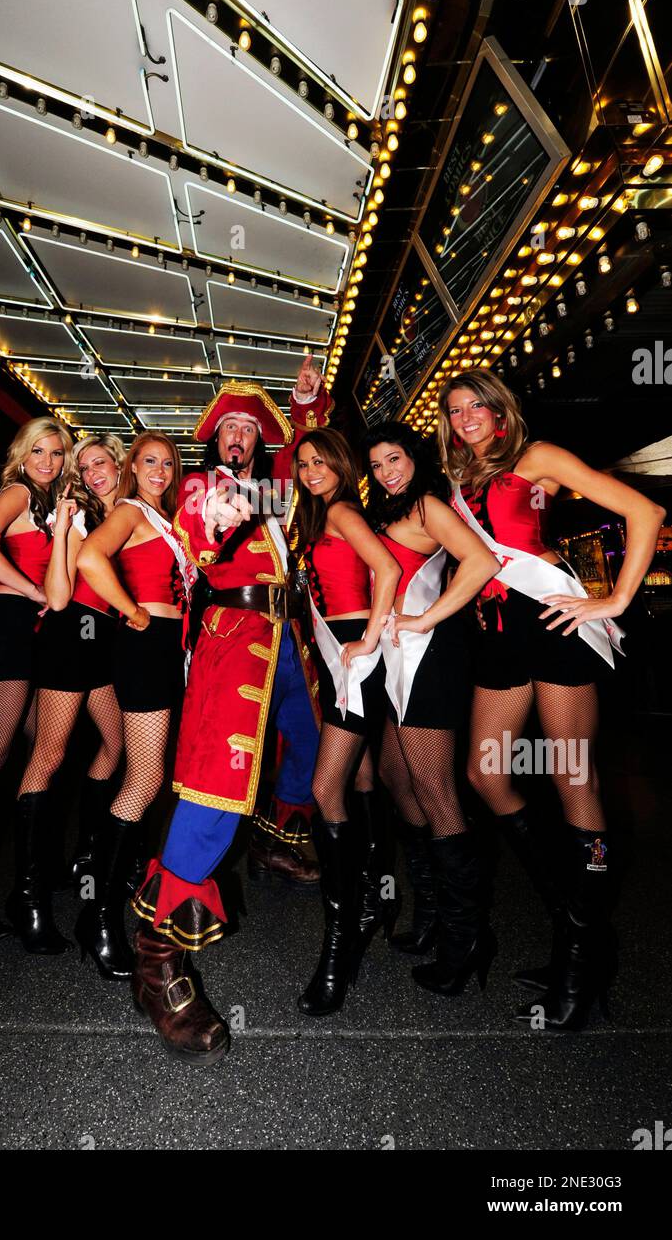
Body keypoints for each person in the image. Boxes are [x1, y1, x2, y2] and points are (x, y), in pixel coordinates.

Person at [441, 369, 664, 1029]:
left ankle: (577, 954)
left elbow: (642, 511)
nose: (464, 418)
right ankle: (576, 922)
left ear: (497, 410)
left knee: (572, 778)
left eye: (474, 406)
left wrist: (614, 598)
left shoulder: (536, 459)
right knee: (485, 774)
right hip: (495, 638)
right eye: (453, 411)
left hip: (550, 626)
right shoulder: (460, 482)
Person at [130, 361, 332, 1064]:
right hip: (232, 643)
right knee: (218, 786)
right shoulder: (199, 487)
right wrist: (215, 520)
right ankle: (156, 963)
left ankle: (276, 838)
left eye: (250, 428)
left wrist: (305, 403)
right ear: (215, 440)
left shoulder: (273, 490)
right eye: (230, 429)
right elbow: (198, 529)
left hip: (286, 644)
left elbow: (313, 465)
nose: (240, 436)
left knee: (309, 748)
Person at [365, 423, 499, 995]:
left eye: (394, 458)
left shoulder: (426, 504)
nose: (386, 470)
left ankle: (465, 938)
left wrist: (424, 618)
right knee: (399, 778)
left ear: (414, 457)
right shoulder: (392, 507)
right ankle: (430, 914)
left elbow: (481, 561)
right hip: (399, 660)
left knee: (436, 790)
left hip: (431, 657)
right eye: (376, 464)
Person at [74, 433, 194, 980]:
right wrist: (133, 614)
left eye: (168, 462)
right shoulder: (127, 510)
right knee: (143, 780)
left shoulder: (166, 521)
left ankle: (110, 895)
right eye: (149, 461)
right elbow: (90, 556)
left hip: (168, 648)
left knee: (151, 775)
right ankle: (98, 919)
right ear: (131, 466)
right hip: (144, 644)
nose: (160, 470)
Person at [292, 428, 402, 1015]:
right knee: (361, 779)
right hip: (338, 652)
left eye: (321, 461)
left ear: (342, 464)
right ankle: (371, 898)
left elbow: (385, 567)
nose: (311, 470)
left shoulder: (341, 509)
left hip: (355, 654)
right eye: (303, 463)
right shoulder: (316, 517)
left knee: (323, 786)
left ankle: (337, 947)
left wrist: (366, 637)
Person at [0, 416, 75, 953]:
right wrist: (28, 589)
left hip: (34, 639)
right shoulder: (20, 492)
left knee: (44, 754)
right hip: (7, 631)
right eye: (38, 451)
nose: (47, 461)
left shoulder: (51, 502)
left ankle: (29, 887)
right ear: (22, 456)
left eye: (56, 452)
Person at [20, 434, 126, 897]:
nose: (91, 473)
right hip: (71, 637)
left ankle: (88, 852)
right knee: (48, 756)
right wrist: (62, 529)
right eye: (83, 468)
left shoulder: (127, 515)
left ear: (120, 465)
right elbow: (60, 598)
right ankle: (29, 891)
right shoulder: (83, 517)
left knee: (115, 742)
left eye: (99, 462)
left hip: (103, 642)